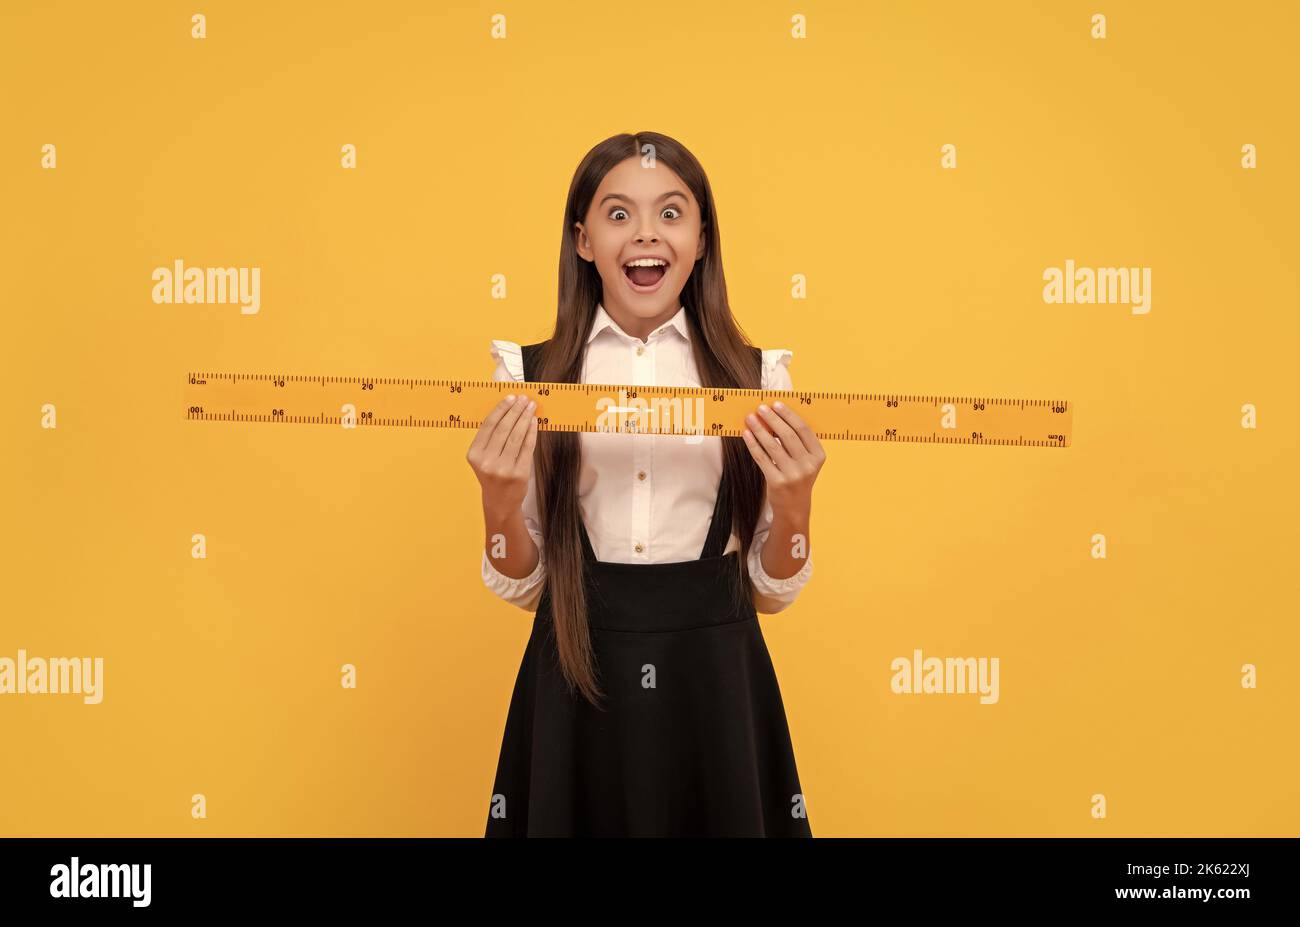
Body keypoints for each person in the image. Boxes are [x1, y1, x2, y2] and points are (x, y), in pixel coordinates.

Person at [467, 131, 826, 836]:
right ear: (583, 239)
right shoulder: (528, 377)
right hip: (575, 672)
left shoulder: (759, 380)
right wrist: (499, 505)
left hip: (714, 684)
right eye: (618, 212)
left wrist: (795, 506)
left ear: (700, 238)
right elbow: (525, 582)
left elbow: (771, 588)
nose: (645, 235)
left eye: (670, 212)